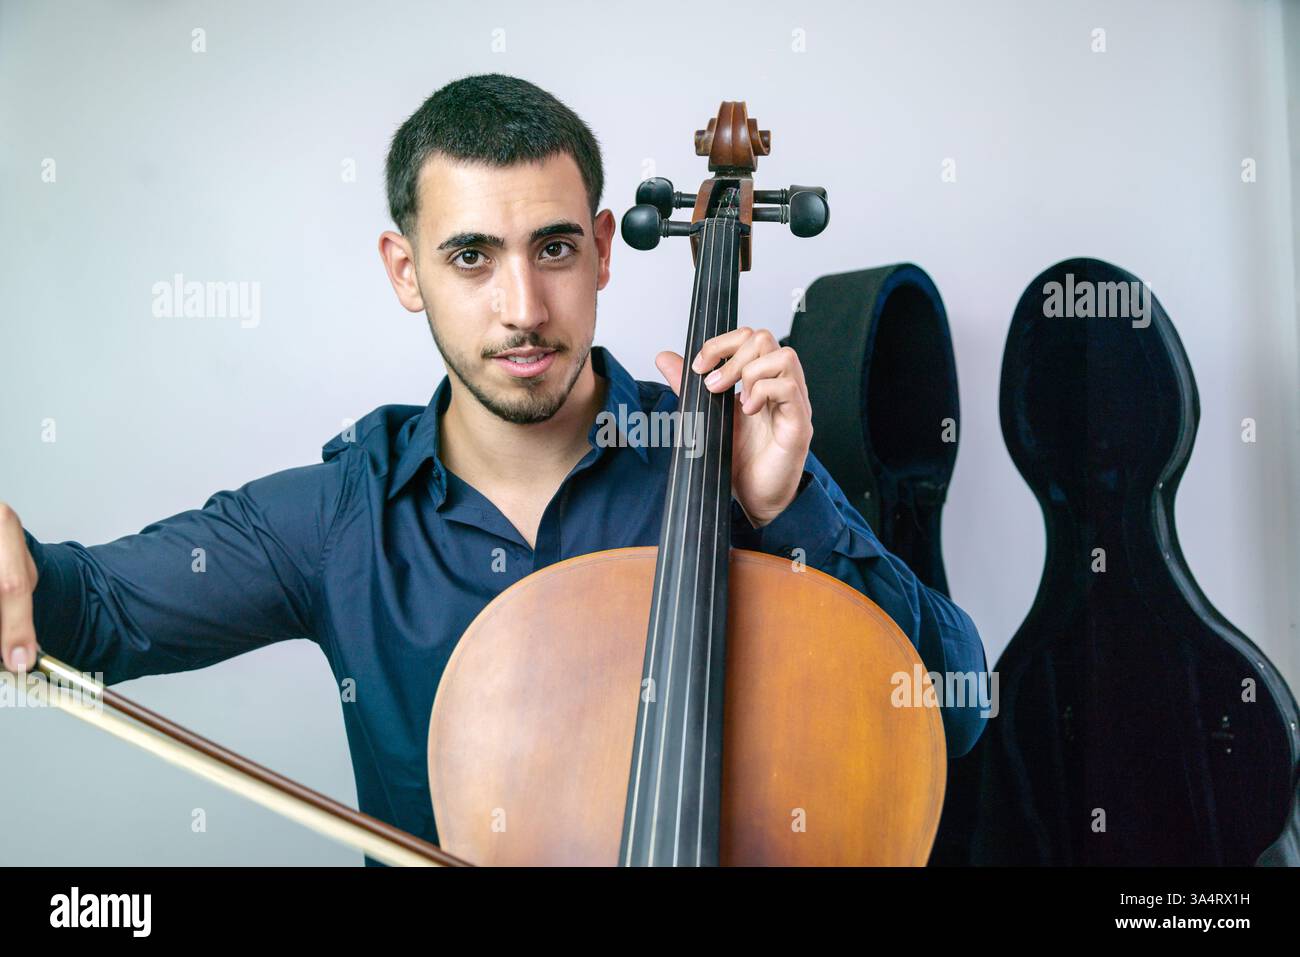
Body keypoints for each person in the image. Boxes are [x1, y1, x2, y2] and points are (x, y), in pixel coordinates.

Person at [0, 73, 988, 865]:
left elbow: (959, 705)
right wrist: (17, 567)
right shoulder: (343, 518)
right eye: (471, 257)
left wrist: (786, 508)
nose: (523, 307)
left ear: (604, 250)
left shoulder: (717, 462)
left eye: (553, 248)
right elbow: (90, 612)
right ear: (405, 270)